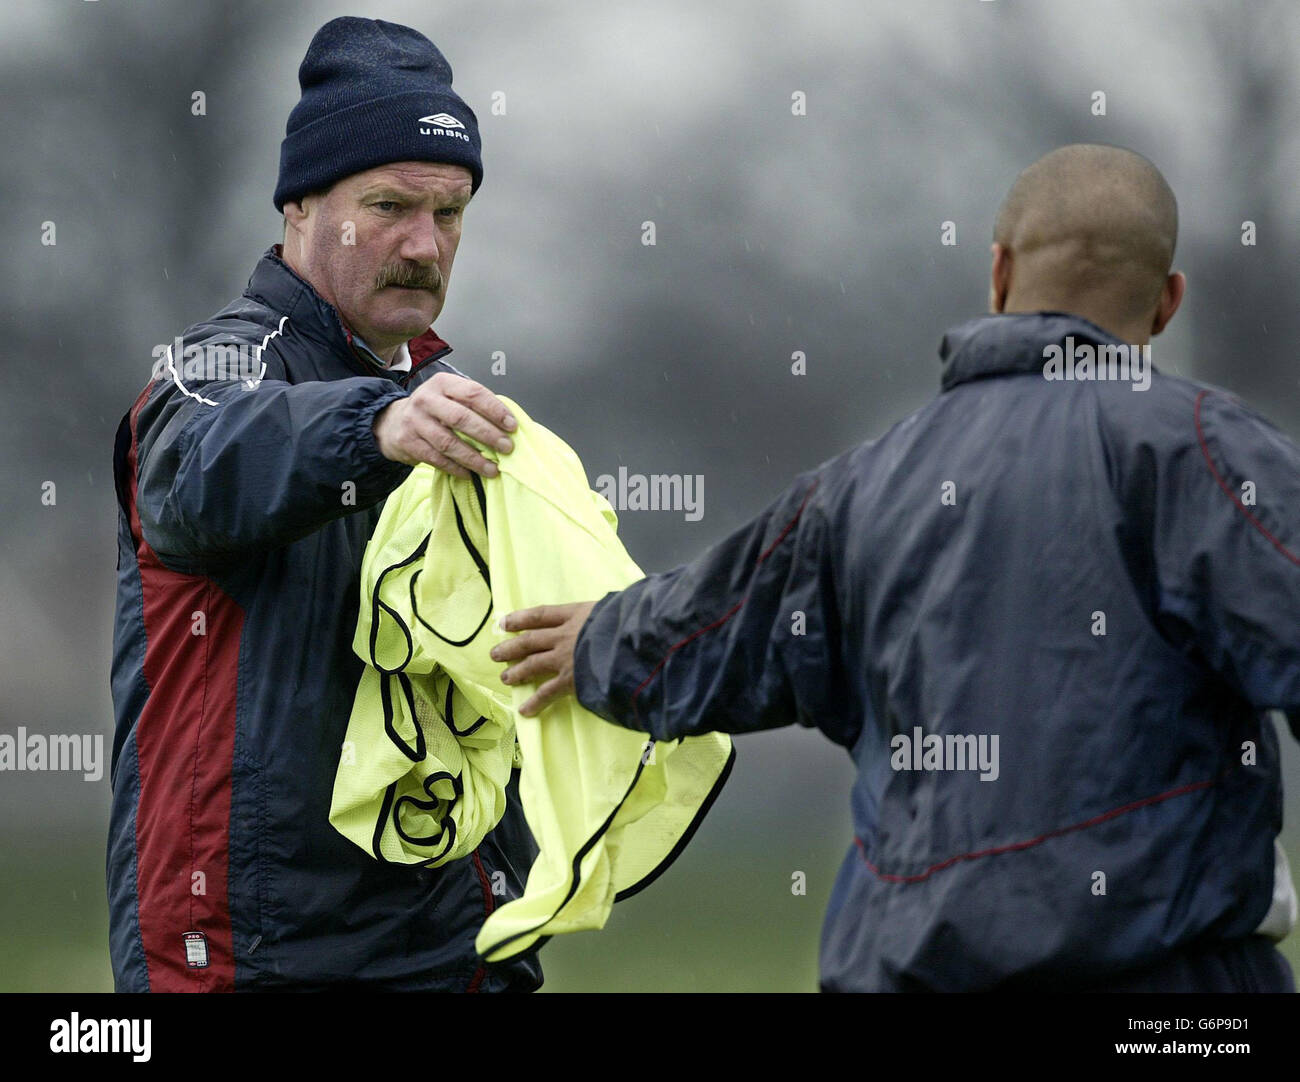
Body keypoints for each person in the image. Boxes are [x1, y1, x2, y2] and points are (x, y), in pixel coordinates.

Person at [491, 144, 1300, 992]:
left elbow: (712, 628)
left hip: (906, 971)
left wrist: (596, 641)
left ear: (998, 274)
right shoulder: (1211, 457)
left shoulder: (864, 487)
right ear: (1168, 303)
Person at [108, 17, 540, 991]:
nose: (424, 245)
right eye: (388, 205)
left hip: (445, 948)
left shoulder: (452, 409)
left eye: (451, 210)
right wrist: (374, 429)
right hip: (244, 959)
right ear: (300, 205)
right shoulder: (218, 366)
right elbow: (196, 470)